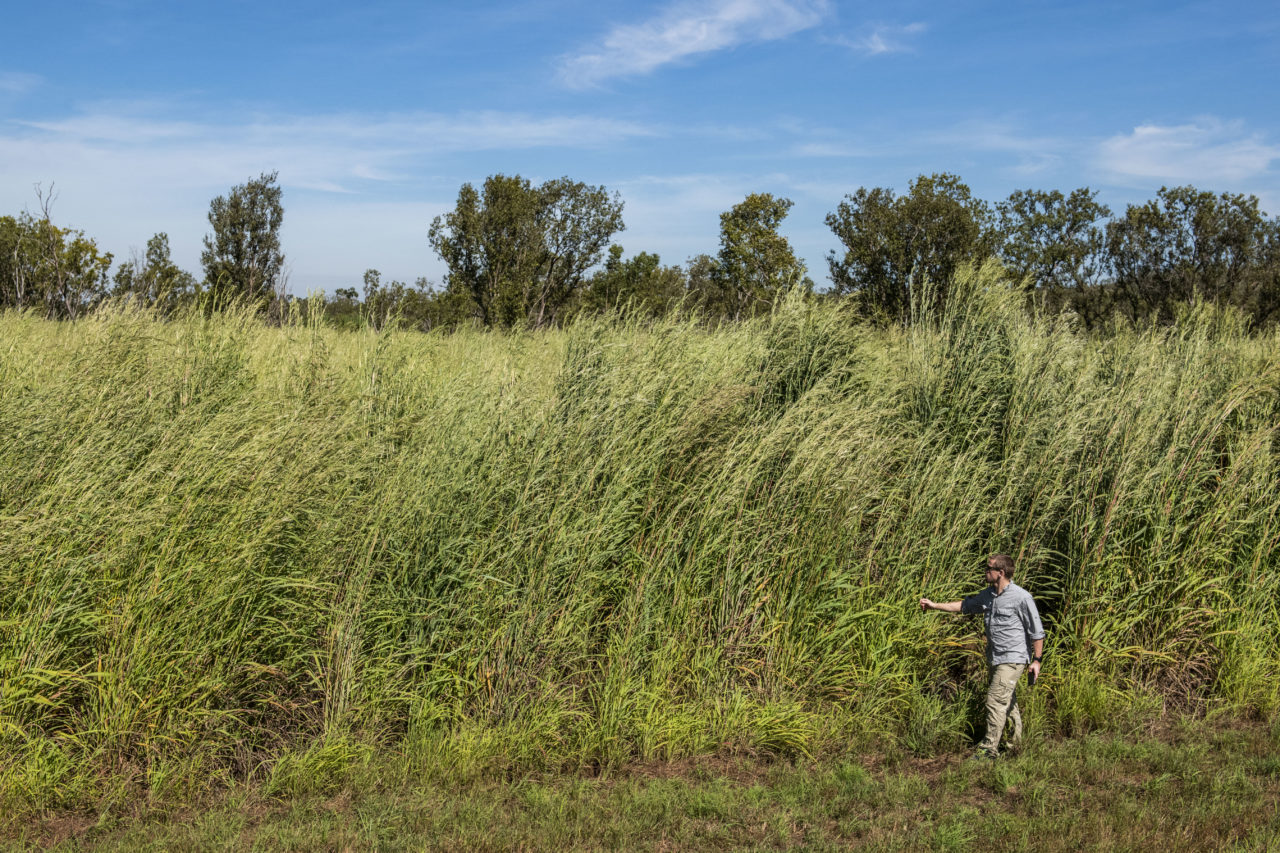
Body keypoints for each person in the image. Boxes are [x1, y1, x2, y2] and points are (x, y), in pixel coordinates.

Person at [919, 553, 1045, 759]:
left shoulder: (1022, 597)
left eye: (989, 568)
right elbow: (964, 606)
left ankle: (989, 750)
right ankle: (1016, 745)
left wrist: (1037, 660)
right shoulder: (988, 595)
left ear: (1000, 573)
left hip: (1013, 658)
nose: (985, 571)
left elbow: (1036, 631)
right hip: (995, 657)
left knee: (994, 700)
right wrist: (935, 606)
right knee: (1007, 701)